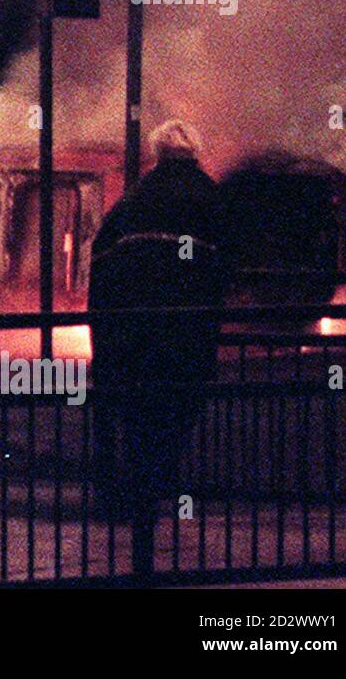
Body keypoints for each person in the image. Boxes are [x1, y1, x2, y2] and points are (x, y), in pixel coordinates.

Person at [87, 119, 228, 518]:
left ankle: (127, 494)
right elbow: (225, 261)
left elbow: (101, 261)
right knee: (177, 404)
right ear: (196, 153)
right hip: (186, 327)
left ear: (158, 153)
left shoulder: (135, 199)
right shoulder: (208, 197)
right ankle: (156, 483)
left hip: (127, 326)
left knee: (132, 408)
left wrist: (103, 328)